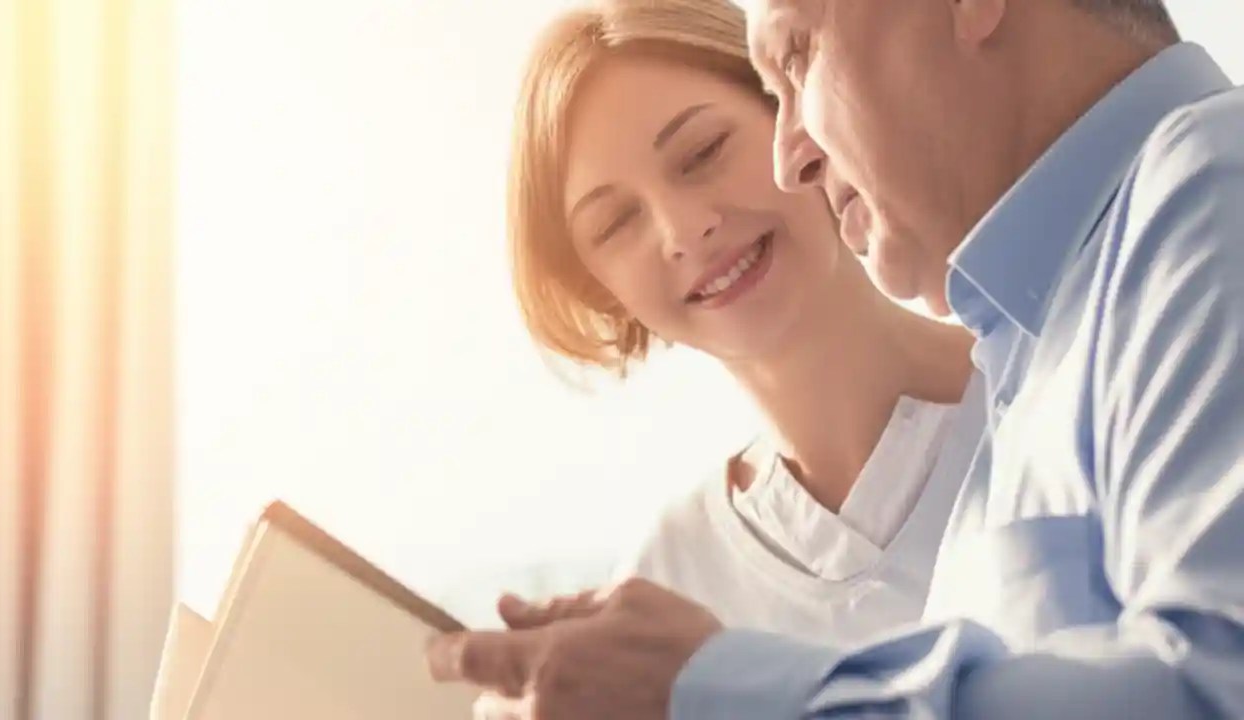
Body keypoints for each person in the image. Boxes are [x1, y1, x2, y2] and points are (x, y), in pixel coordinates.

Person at [428, 0, 1244, 717]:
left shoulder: (1209, 191)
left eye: (796, 58)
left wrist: (717, 692)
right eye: (615, 226)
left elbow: (1213, 687)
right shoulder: (1032, 379)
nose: (799, 157)